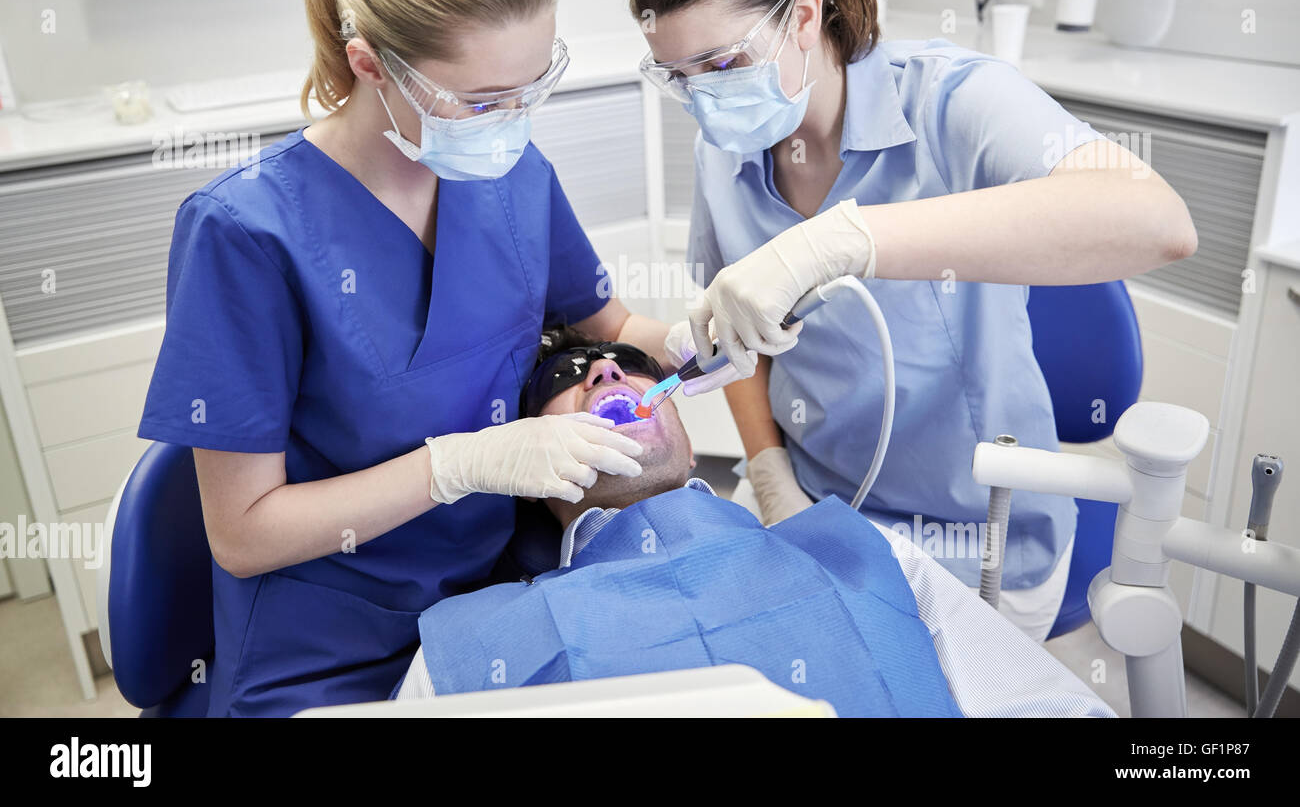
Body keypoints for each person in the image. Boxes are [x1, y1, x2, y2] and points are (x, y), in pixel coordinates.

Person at [135, 0, 729, 717]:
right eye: (483, 103)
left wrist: (704, 336)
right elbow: (242, 534)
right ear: (370, 62)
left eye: (533, 87)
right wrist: (455, 467)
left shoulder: (513, 175)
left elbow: (614, 327)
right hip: (325, 650)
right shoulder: (245, 234)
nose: (514, 122)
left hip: (499, 602)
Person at [628, 0, 1199, 640]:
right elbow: (745, 343)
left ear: (803, 16)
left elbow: (1158, 221)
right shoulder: (723, 149)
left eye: (723, 63)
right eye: (679, 78)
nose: (703, 101)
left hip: (978, 531)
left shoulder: (950, 101)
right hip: (811, 500)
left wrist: (839, 241)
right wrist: (769, 478)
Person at [390, 328, 1114, 718]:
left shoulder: (858, 550)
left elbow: (1050, 708)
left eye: (627, 365)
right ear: (525, 458)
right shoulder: (472, 639)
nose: (606, 375)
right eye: (566, 378)